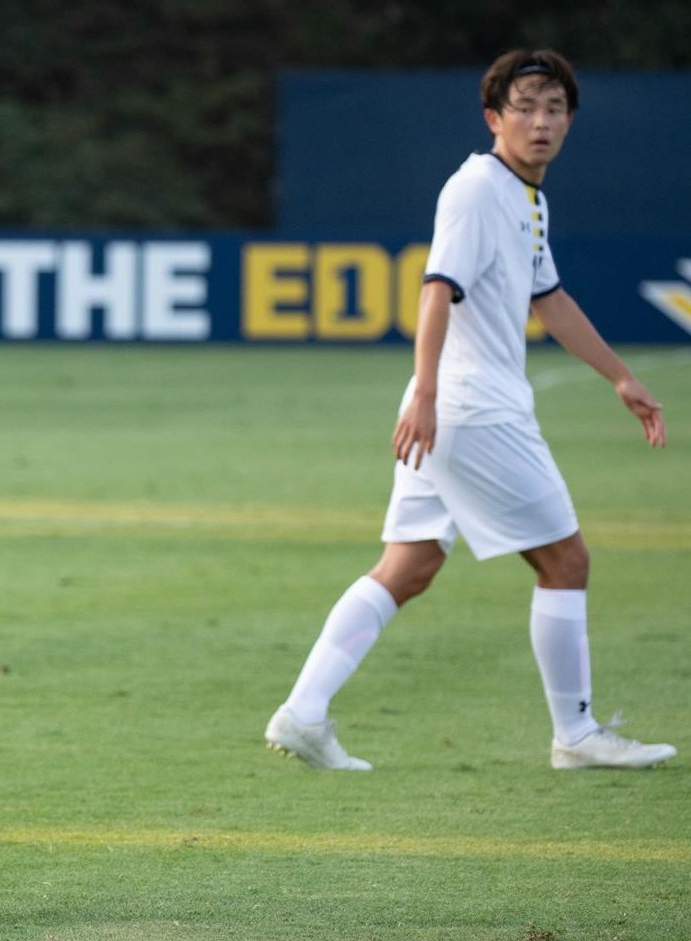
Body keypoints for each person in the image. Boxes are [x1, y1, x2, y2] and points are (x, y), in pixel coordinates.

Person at [265, 48, 673, 772]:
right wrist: (423, 393)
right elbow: (434, 289)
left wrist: (619, 377)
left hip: (454, 406)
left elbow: (548, 299)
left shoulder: (526, 198)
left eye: (554, 110)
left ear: (569, 121)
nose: (540, 123)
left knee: (410, 563)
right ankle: (575, 736)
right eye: (525, 108)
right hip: (470, 409)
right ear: (494, 118)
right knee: (564, 559)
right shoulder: (476, 188)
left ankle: (303, 713)